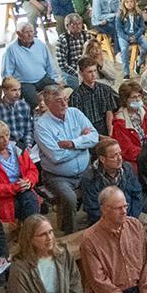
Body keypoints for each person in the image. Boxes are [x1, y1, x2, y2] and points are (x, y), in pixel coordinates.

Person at [81, 137, 147, 259]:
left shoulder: (127, 168)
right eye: (114, 156)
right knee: (122, 244)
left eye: (120, 154)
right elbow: (93, 209)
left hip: (130, 214)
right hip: (107, 222)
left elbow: (137, 194)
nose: (119, 158)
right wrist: (116, 223)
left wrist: (130, 219)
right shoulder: (90, 178)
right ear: (102, 159)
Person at [34, 85, 99, 234]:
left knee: (101, 187)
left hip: (84, 170)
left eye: (65, 99)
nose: (64, 104)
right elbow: (56, 156)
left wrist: (72, 143)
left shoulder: (75, 113)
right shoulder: (42, 126)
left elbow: (94, 137)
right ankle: (71, 233)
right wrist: (82, 144)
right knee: (69, 199)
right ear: (48, 104)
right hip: (58, 176)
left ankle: (95, 228)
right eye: (59, 101)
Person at [0, 22, 59, 108]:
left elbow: (49, 63)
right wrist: (12, 87)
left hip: (42, 78)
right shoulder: (11, 49)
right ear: (19, 34)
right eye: (26, 32)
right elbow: (7, 73)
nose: (30, 35)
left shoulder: (40, 44)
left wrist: (53, 78)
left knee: (58, 94)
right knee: (34, 102)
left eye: (31, 31)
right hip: (24, 82)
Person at [69, 57, 118, 137]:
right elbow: (79, 122)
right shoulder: (76, 96)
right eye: (89, 72)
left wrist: (110, 133)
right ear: (81, 73)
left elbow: (109, 113)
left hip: (105, 127)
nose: (93, 74)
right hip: (87, 132)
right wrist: (97, 137)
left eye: (95, 71)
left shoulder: (105, 89)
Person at [110, 80, 147, 170]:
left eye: (139, 96)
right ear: (125, 100)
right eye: (133, 97)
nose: (137, 100)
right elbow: (127, 149)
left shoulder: (144, 110)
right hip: (135, 158)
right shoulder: (120, 121)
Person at [0, 77, 36, 150]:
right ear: (4, 91)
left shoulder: (24, 105)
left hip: (25, 142)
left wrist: (28, 146)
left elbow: (29, 129)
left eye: (19, 90)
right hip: (8, 145)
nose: (18, 93)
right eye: (14, 90)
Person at [115, 0, 147, 78]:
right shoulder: (120, 15)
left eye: (131, 2)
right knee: (124, 50)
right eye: (127, 2)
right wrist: (127, 37)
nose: (129, 4)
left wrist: (136, 36)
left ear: (134, 3)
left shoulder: (138, 13)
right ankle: (126, 73)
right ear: (124, 4)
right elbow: (119, 30)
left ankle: (138, 63)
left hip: (136, 34)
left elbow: (142, 27)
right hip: (124, 36)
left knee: (146, 46)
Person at [58, 13, 91, 88]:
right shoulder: (62, 40)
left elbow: (92, 55)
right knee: (80, 87)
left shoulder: (87, 35)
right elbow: (62, 64)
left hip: (86, 68)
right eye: (74, 24)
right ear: (67, 26)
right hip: (71, 71)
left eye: (79, 23)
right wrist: (78, 74)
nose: (78, 26)